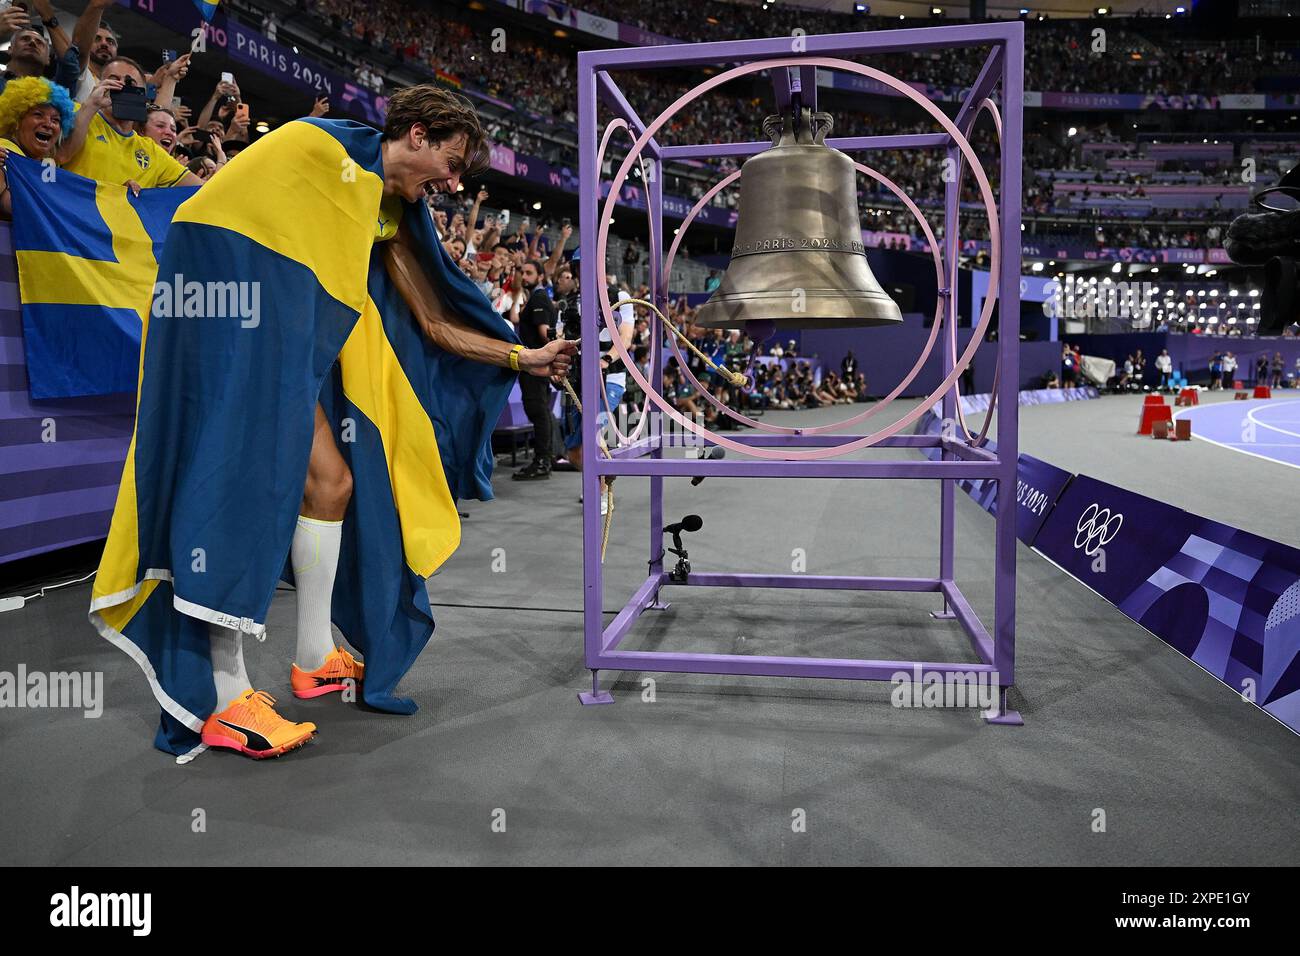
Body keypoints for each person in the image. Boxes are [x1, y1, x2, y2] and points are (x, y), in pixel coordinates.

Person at [88, 85, 577, 761]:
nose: (454, 181)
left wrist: (523, 355)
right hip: (234, 331)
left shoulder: (391, 214)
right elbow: (211, 223)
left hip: (286, 351)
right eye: (453, 160)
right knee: (241, 492)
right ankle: (224, 698)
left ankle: (314, 654)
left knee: (333, 482)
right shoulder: (312, 146)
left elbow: (434, 321)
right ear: (417, 133)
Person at [58, 56, 203, 188]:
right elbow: (61, 154)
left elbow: (203, 190)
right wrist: (91, 105)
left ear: (143, 96)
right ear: (99, 84)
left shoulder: (152, 152)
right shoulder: (75, 111)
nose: (121, 85)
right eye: (113, 79)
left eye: (130, 83)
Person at [0, 75, 76, 218]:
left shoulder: (49, 165)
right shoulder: (5, 150)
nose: (48, 124)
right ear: (16, 121)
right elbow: (9, 205)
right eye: (38, 115)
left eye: (55, 120)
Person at [512, 258, 558, 480]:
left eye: (529, 272)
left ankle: (542, 461)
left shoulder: (539, 298)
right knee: (541, 411)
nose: (524, 276)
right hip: (535, 364)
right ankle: (546, 458)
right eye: (522, 272)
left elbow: (543, 332)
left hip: (535, 364)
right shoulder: (535, 298)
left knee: (538, 411)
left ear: (540, 276)